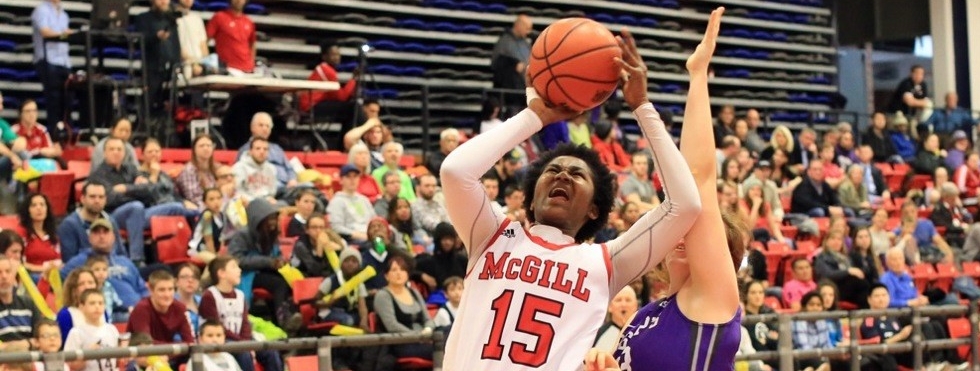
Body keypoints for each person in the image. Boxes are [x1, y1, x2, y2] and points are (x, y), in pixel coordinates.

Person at [447, 17, 700, 370]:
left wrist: (642, 106)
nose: (562, 173)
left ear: (595, 209)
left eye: (576, 174)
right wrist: (533, 116)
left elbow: (686, 205)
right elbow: (456, 172)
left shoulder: (606, 263)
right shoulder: (491, 235)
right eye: (552, 170)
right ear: (532, 198)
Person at [603, 12, 743, 370]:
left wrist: (697, 75)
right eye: (684, 228)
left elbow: (698, 179)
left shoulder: (711, 300)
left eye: (701, 235)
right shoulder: (645, 314)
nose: (688, 233)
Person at [91, 138, 187, 264]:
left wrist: (126, 188)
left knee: (177, 207)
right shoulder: (98, 174)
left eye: (119, 149)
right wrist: (137, 192)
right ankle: (137, 259)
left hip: (140, 213)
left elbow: (149, 191)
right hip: (114, 216)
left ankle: (189, 249)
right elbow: (110, 199)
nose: (116, 152)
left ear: (124, 152)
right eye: (112, 149)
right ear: (104, 153)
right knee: (135, 206)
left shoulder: (130, 169)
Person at [199, 256, 283, 371]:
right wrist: (243, 344)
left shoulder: (240, 295)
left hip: (241, 339)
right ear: (221, 273)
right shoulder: (209, 295)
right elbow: (215, 326)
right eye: (234, 267)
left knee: (270, 351)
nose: (239, 270)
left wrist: (246, 342)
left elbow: (245, 323)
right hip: (222, 339)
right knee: (244, 354)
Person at [227, 198, 300, 330]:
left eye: (274, 219)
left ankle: (285, 319)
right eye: (269, 219)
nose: (272, 223)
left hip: (264, 270)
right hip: (246, 274)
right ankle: (284, 319)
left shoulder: (271, 234)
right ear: (258, 220)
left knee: (288, 279)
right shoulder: (242, 235)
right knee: (277, 283)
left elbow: (276, 253)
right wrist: (268, 262)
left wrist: (281, 261)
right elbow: (237, 259)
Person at [61, 219, 148, 309]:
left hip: (138, 310)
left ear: (114, 237)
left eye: (105, 232)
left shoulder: (125, 261)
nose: (101, 236)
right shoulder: (79, 261)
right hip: (107, 313)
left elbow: (143, 289)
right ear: (89, 238)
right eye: (96, 232)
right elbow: (58, 281)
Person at [372, 254, 435, 359]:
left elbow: (427, 318)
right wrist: (417, 336)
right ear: (386, 275)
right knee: (441, 350)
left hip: (424, 339)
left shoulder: (414, 292)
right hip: (401, 343)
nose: (399, 273)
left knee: (448, 334)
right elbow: (392, 325)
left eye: (402, 270)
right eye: (394, 270)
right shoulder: (383, 295)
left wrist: (428, 329)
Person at [298, 40, 358, 148]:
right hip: (311, 107)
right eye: (333, 54)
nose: (337, 57)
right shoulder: (326, 70)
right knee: (353, 109)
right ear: (324, 56)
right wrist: (353, 80)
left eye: (338, 54)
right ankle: (346, 145)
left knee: (351, 110)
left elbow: (334, 95)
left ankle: (344, 144)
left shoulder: (324, 69)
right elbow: (342, 97)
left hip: (316, 104)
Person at [135, 0, 181, 119]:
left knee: (170, 107)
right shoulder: (143, 18)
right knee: (148, 106)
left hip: (170, 71)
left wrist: (177, 64)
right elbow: (140, 41)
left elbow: (176, 45)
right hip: (152, 70)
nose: (163, 1)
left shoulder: (171, 20)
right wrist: (156, 37)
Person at [32, 0, 72, 135]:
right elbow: (45, 32)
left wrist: (68, 34)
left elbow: (64, 33)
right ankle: (54, 134)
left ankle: (67, 132)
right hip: (48, 59)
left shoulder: (64, 14)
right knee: (53, 99)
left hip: (64, 61)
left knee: (67, 99)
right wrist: (66, 34)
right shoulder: (41, 10)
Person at [236, 113, 298, 192]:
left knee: (308, 187)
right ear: (252, 128)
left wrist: (292, 179)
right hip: (266, 186)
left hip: (287, 185)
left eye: (267, 126)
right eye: (261, 125)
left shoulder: (277, 148)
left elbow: (289, 169)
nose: (265, 129)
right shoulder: (246, 149)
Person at [64, 289, 121, 371]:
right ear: (81, 307)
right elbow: (72, 366)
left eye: (100, 303)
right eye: (92, 303)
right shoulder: (76, 333)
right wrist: (88, 354)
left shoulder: (111, 329)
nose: (97, 306)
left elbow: (118, 362)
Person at [313, 247, 369, 330]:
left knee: (361, 317)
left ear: (359, 266)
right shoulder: (331, 281)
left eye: (354, 261)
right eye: (346, 261)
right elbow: (314, 302)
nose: (350, 264)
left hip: (348, 312)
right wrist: (329, 303)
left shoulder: (359, 283)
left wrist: (364, 321)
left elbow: (362, 306)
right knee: (348, 320)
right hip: (330, 311)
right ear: (341, 264)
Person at [490, 14, 533, 112]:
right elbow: (496, 64)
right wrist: (513, 65)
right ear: (519, 25)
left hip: (523, 91)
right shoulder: (504, 42)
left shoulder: (526, 44)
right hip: (509, 93)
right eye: (527, 28)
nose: (528, 32)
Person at [328, 165, 376, 243]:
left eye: (355, 176)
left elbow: (374, 220)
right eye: (348, 177)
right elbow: (336, 227)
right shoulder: (337, 201)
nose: (352, 180)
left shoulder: (364, 200)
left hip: (370, 236)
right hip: (351, 239)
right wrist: (357, 234)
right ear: (341, 180)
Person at [0, 255, 39, 350]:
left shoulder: (28, 304)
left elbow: (39, 340)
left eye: (8, 271)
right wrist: (27, 343)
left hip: (31, 361)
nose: (4, 276)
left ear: (13, 275)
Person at [206, 0, 256, 73]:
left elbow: (253, 44)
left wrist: (252, 64)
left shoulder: (249, 22)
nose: (239, 1)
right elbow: (204, 41)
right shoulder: (219, 17)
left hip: (248, 69)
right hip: (227, 69)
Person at [18, 193, 61, 273]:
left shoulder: (53, 234)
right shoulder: (22, 233)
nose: (39, 208)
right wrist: (43, 269)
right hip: (32, 276)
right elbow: (19, 263)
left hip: (54, 275)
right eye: (34, 205)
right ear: (27, 210)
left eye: (42, 204)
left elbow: (59, 261)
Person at [12, 99, 63, 166]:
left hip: (41, 164)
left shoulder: (42, 130)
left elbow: (53, 151)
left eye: (34, 111)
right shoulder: (13, 130)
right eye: (28, 111)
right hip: (21, 165)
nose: (32, 114)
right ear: (21, 113)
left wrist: (41, 151)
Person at [55, 267, 98, 343]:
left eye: (90, 282)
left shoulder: (101, 310)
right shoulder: (66, 314)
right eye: (81, 284)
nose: (87, 287)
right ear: (73, 290)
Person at [291, 213, 340, 278]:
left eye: (321, 227)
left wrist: (339, 251)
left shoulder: (328, 238)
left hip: (325, 277)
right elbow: (315, 271)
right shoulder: (301, 245)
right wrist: (319, 249)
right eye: (314, 227)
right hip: (304, 278)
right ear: (307, 230)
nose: (318, 231)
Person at [231, 137, 278, 203]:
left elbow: (272, 191)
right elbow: (237, 191)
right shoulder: (239, 167)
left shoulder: (271, 168)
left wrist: (269, 199)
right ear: (250, 151)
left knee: (284, 204)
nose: (262, 152)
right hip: (248, 203)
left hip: (267, 202)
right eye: (258, 148)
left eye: (265, 149)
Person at [592, 286, 639, 352]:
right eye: (618, 300)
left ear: (636, 305)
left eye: (628, 300)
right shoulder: (600, 333)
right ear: (609, 307)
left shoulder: (642, 330)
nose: (623, 304)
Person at [176, 135, 217, 208]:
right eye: (201, 146)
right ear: (194, 149)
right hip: (197, 209)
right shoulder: (189, 170)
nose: (206, 148)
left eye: (209, 145)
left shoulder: (216, 168)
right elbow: (194, 198)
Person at [86, 255, 126, 323]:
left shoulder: (109, 286)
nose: (101, 273)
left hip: (110, 318)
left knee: (131, 316)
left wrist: (128, 309)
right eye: (97, 270)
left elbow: (118, 303)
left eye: (104, 270)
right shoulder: (88, 288)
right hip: (93, 320)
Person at [188, 188, 223, 264]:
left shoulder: (221, 215)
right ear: (205, 203)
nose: (216, 202)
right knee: (217, 263)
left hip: (212, 250)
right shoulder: (207, 216)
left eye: (219, 198)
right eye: (211, 199)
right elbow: (208, 241)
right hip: (199, 249)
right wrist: (216, 257)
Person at [175, 0, 209, 78]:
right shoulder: (172, 19)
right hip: (184, 66)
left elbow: (203, 45)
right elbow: (176, 46)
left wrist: (205, 65)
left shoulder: (197, 19)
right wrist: (192, 63)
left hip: (200, 67)